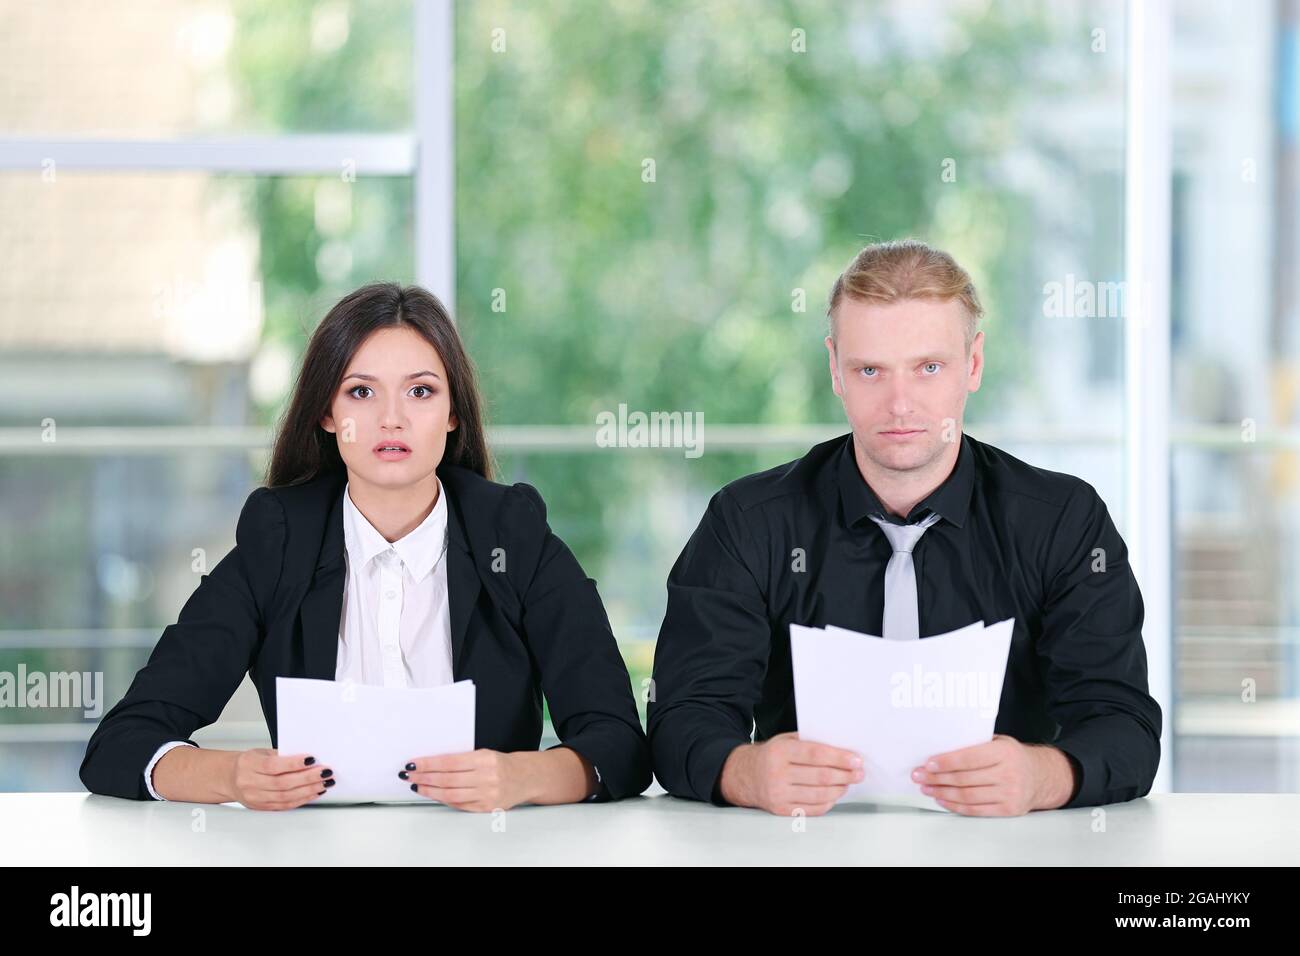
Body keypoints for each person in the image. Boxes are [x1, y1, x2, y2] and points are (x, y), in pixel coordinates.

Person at [81, 283, 651, 811]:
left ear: (453, 413)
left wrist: (522, 777)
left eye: (420, 392)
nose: (391, 419)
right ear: (328, 415)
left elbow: (620, 744)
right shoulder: (278, 542)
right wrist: (231, 776)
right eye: (361, 392)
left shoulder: (513, 536)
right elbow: (121, 744)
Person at [648, 239, 1161, 817]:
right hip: (804, 844)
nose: (899, 404)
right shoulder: (749, 523)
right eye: (870, 370)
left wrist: (1044, 777)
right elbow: (681, 717)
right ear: (835, 369)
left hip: (1005, 845)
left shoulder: (1063, 520)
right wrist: (744, 773)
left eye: (928, 368)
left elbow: (1123, 725)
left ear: (973, 364)